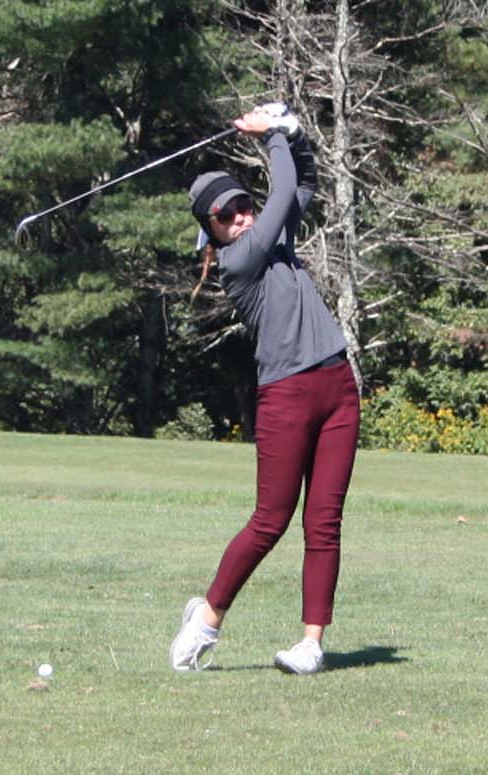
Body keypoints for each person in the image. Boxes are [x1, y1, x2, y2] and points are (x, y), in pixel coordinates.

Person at [169, 102, 360, 675]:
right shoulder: (240, 260)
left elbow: (304, 184)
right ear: (214, 231)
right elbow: (281, 198)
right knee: (270, 520)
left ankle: (311, 644)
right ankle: (207, 619)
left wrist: (294, 136)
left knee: (324, 521)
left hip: (337, 386)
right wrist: (273, 133)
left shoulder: (274, 239)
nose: (242, 217)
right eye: (228, 215)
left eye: (243, 205)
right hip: (286, 396)